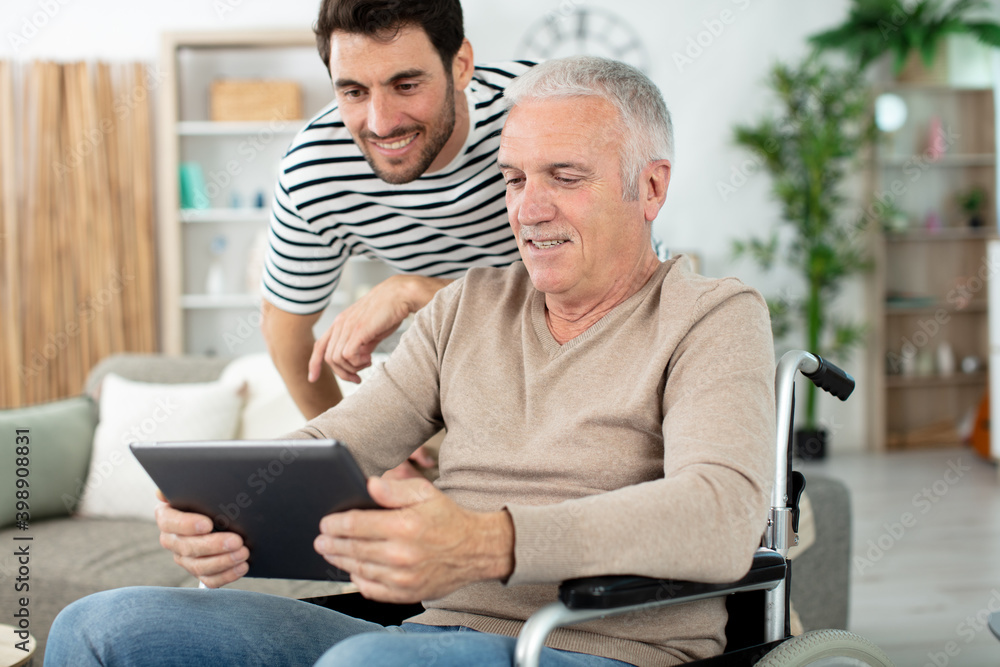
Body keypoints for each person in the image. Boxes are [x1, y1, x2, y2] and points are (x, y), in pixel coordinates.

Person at [45, 56, 775, 667]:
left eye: (565, 176)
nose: (529, 209)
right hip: (429, 636)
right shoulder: (467, 306)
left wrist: (489, 542)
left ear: (650, 187)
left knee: (363, 665)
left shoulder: (712, 314)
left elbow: (721, 515)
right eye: (515, 179)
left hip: (606, 648)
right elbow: (338, 444)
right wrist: (220, 504)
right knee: (100, 625)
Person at [261, 0, 533, 427]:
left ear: (460, 65)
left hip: (586, 360)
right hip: (462, 380)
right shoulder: (315, 171)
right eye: (354, 92)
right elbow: (283, 333)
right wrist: (352, 445)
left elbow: (615, 292)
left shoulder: (542, 112)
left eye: (405, 85)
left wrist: (417, 291)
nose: (381, 124)